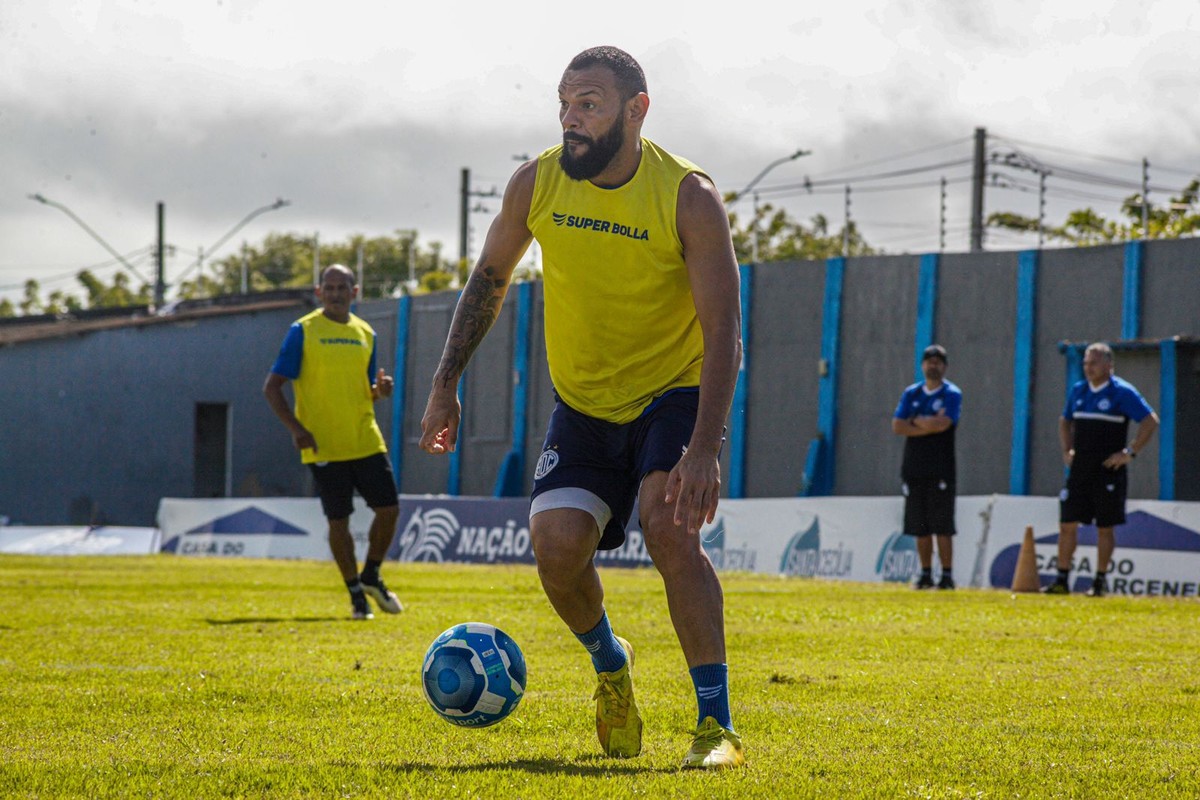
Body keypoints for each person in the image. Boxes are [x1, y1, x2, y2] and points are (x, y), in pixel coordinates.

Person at [418, 46, 744, 769]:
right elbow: (489, 280)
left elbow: (725, 331)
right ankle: (611, 666)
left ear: (637, 110)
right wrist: (446, 382)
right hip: (584, 403)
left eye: (589, 103)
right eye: (565, 102)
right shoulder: (535, 183)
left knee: (671, 529)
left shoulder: (688, 195)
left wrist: (703, 447)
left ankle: (715, 728)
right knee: (558, 551)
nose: (571, 118)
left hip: (674, 392)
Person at [264, 264, 404, 620]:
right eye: (330, 287)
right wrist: (296, 429)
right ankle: (356, 593)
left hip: (365, 438)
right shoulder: (303, 331)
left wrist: (380, 392)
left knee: (389, 510)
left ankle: (371, 572)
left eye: (343, 287)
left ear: (356, 292)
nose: (337, 293)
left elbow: (365, 390)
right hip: (323, 446)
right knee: (338, 522)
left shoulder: (366, 333)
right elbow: (272, 387)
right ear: (319, 292)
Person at [1044, 342, 1158, 596]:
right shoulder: (1079, 391)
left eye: (1094, 363)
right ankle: (1062, 579)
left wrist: (1130, 452)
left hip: (1107, 469)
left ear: (1109, 365)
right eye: (1086, 363)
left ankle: (1099, 581)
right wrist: (1067, 450)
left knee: (1104, 527)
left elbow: (1150, 421)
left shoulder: (1122, 392)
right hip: (1080, 469)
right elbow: (1065, 421)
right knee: (1067, 523)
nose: (1088, 368)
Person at [891, 344, 962, 590]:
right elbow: (898, 425)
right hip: (914, 468)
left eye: (938, 362)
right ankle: (925, 573)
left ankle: (947, 575)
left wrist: (917, 421)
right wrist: (924, 425)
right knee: (919, 526)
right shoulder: (911, 393)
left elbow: (944, 423)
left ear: (944, 366)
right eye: (929, 361)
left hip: (941, 468)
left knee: (942, 525)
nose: (934, 366)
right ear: (923, 365)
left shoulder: (951, 393)